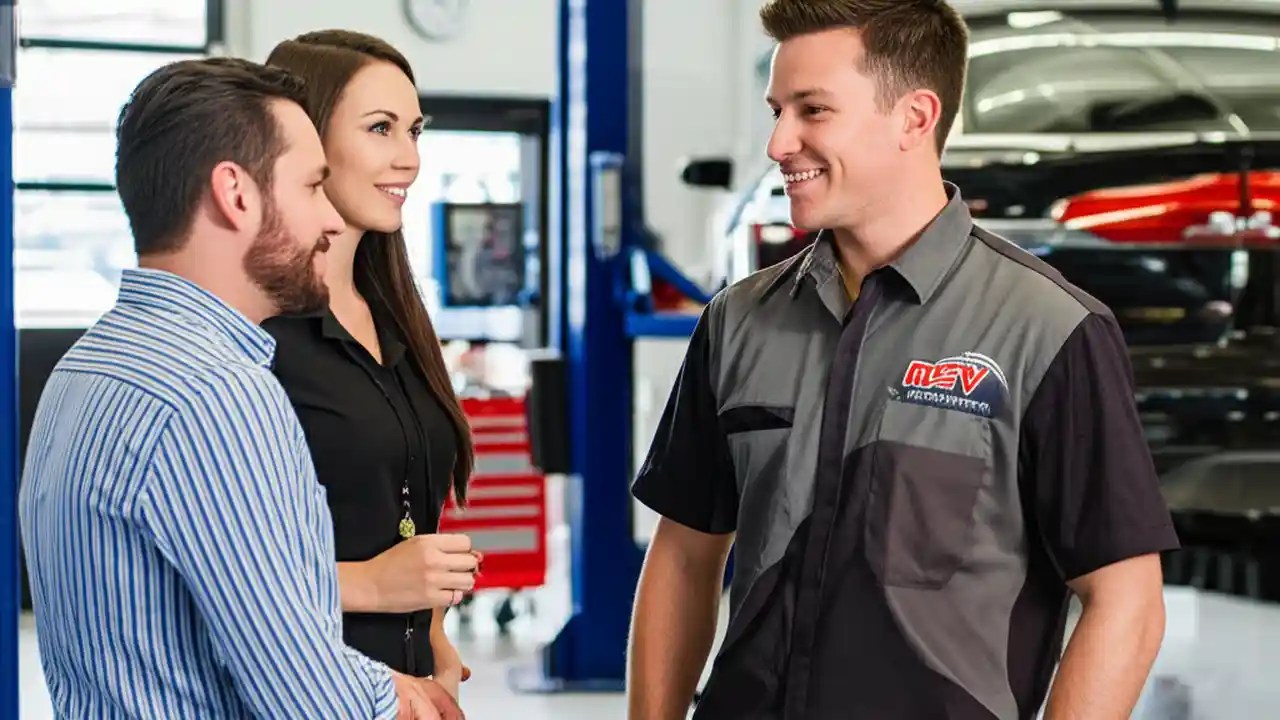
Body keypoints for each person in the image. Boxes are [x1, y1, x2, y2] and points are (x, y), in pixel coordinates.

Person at [627, 1, 1181, 718]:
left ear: (915, 119)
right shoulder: (738, 321)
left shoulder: (1048, 329)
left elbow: (1125, 601)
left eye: (812, 110)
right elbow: (682, 555)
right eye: (776, 110)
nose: (777, 143)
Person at [18, 57, 460, 720]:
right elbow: (308, 698)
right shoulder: (217, 394)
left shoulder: (87, 368)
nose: (331, 223)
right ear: (236, 194)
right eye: (311, 188)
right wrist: (413, 702)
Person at [261, 30, 479, 698]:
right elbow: (218, 569)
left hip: (405, 694)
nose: (408, 159)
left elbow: (406, 515)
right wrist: (372, 585)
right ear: (303, 136)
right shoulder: (256, 332)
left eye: (415, 130)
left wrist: (433, 634)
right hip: (302, 692)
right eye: (381, 129)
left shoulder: (398, 321)